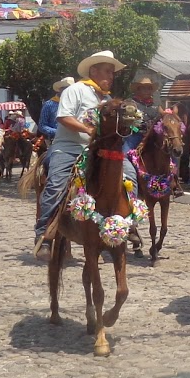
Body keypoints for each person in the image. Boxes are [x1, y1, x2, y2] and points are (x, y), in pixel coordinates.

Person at [34, 52, 125, 253]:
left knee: (128, 177)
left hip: (98, 152)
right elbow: (64, 117)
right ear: (93, 71)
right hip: (68, 148)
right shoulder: (75, 90)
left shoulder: (108, 99)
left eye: (112, 73)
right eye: (107, 71)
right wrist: (88, 130)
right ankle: (44, 234)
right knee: (57, 184)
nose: (111, 77)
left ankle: (127, 224)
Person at [38, 78, 72, 144]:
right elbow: (42, 125)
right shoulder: (49, 104)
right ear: (60, 89)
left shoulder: (75, 104)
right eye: (65, 88)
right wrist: (58, 132)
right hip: (55, 140)